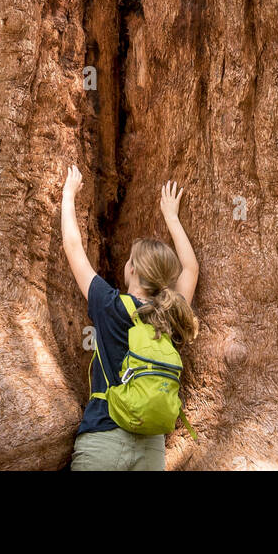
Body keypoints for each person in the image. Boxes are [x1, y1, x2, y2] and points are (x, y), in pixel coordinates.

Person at [61, 165, 199, 471]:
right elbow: (190, 269)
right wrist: (172, 218)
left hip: (102, 438)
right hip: (151, 447)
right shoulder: (171, 314)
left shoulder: (109, 304)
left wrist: (68, 194)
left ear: (132, 269)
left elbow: (73, 248)